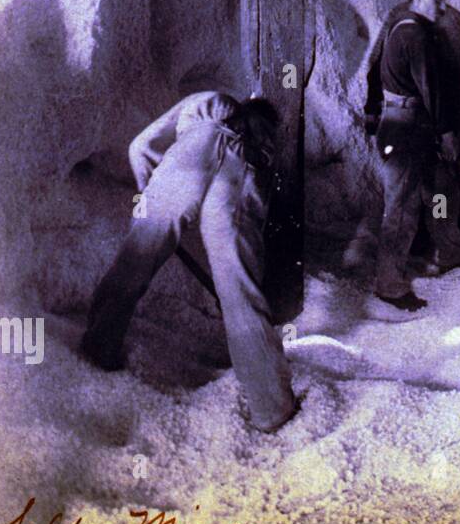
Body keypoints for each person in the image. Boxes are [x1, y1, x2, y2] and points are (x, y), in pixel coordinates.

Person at [80, 91, 297, 433]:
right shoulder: (262, 153)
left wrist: (153, 198)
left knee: (135, 260)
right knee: (239, 292)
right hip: (242, 173)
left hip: (193, 149)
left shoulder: (210, 101)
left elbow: (140, 146)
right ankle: (272, 409)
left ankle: (96, 351)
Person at [370, 0, 460, 310]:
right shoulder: (412, 33)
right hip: (405, 129)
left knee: (442, 190)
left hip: (418, 127)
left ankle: (451, 252)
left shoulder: (424, 31)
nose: (443, 6)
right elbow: (431, 90)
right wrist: (448, 135)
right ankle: (390, 284)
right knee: (402, 209)